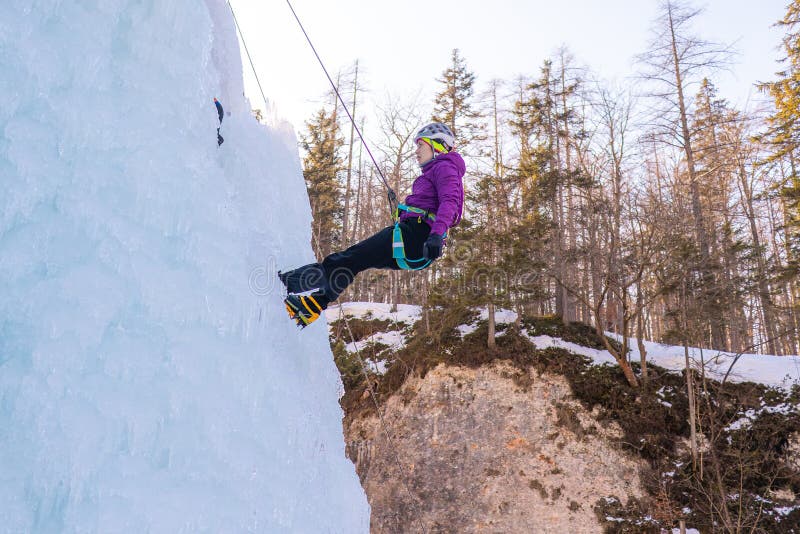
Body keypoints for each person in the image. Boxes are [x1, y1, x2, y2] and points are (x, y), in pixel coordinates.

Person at [280, 122, 466, 327]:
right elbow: (430, 205)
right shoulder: (436, 171)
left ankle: (285, 284)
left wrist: (436, 235)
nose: (416, 151)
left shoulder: (445, 166)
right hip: (414, 240)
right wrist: (404, 212)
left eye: (420, 145)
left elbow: (450, 202)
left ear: (437, 146)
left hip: (417, 237)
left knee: (348, 258)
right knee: (354, 261)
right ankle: (312, 305)